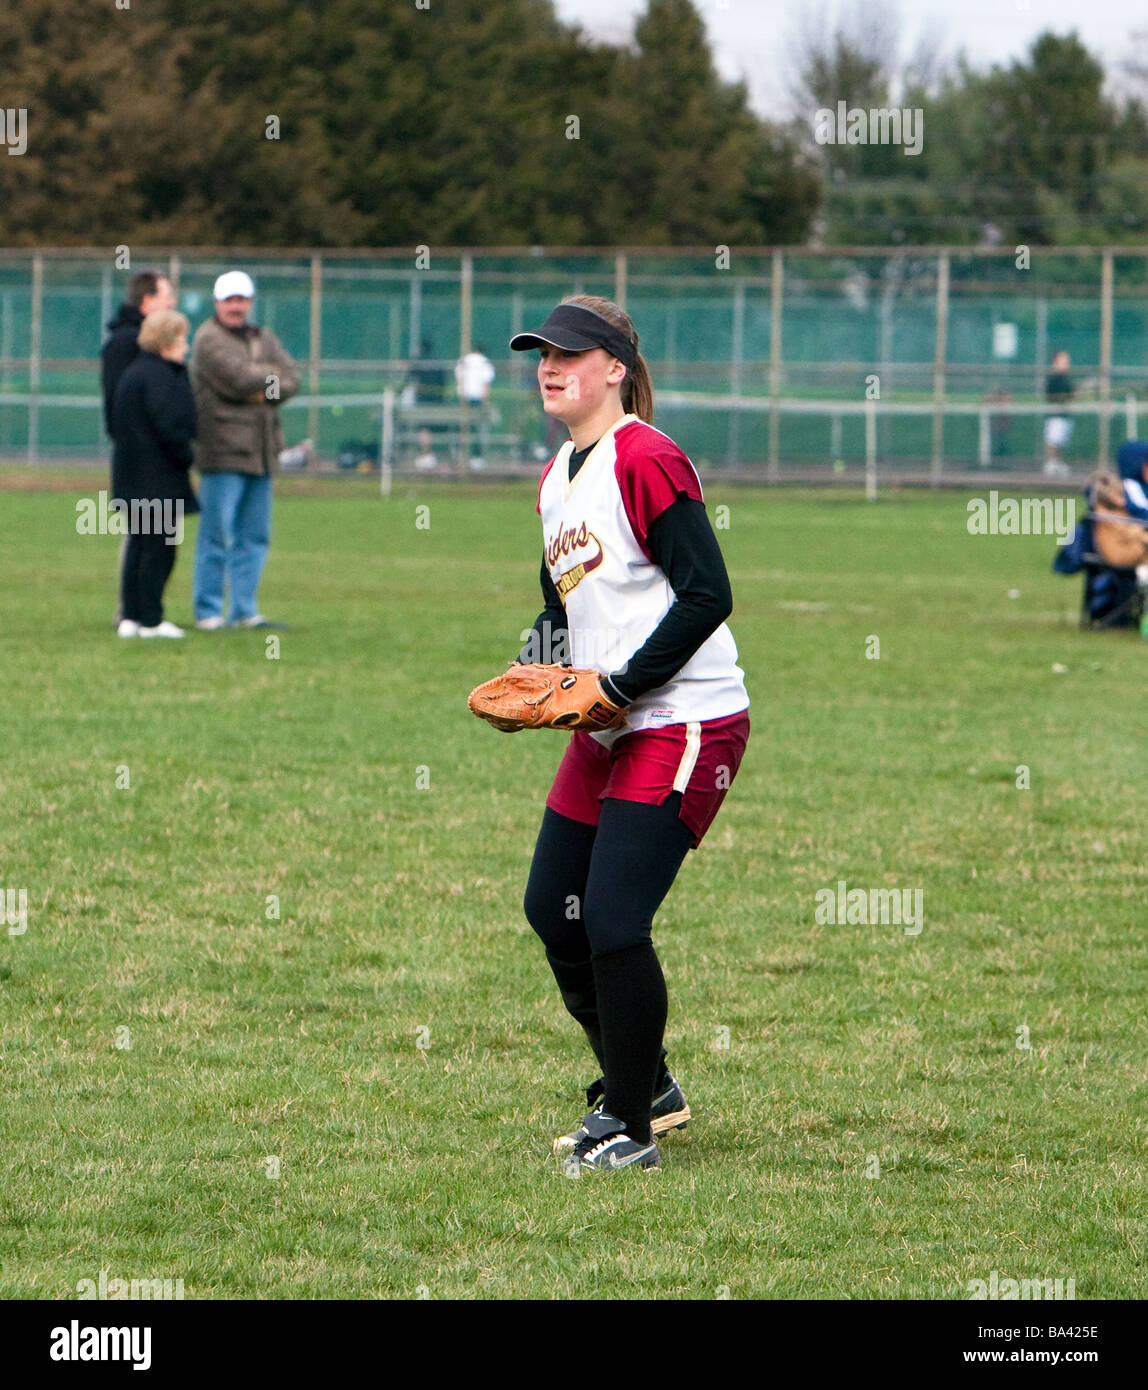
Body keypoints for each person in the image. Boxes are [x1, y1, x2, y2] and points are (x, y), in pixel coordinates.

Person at [504, 296, 751, 1174]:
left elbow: (708, 594)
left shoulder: (646, 457)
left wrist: (619, 685)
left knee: (613, 917)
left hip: (684, 717)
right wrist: (535, 666)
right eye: (541, 353)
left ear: (614, 367)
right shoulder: (554, 477)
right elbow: (559, 604)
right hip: (605, 723)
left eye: (570, 352)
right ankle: (644, 1082)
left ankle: (633, 1129)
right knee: (552, 908)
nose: (549, 365)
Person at [189, 271, 300, 630]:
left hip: (262, 451)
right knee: (216, 535)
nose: (236, 306)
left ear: (250, 301)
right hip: (223, 450)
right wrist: (268, 380)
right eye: (229, 300)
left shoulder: (262, 336)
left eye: (242, 299)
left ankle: (243, 610)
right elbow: (237, 379)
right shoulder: (207, 339)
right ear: (217, 302)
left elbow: (292, 379)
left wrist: (260, 383)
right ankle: (207, 611)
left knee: (254, 536)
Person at [111, 310, 198, 639]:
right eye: (181, 339)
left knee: (139, 546)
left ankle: (131, 617)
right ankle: (151, 619)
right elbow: (171, 427)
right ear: (166, 343)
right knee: (160, 550)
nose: (185, 347)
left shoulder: (133, 374)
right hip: (158, 480)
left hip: (132, 477)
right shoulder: (163, 377)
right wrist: (186, 456)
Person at [101, 270, 177, 624]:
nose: (172, 304)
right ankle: (133, 612)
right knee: (144, 538)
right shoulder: (126, 344)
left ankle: (142, 612)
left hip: (155, 464)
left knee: (155, 538)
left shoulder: (150, 346)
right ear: (147, 302)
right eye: (166, 298)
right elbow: (120, 410)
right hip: (141, 464)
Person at [455, 345, 495, 469]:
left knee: (465, 427)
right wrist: (485, 400)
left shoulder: (464, 360)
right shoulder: (484, 362)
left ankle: (459, 454)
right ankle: (476, 457)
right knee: (477, 429)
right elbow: (485, 384)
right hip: (478, 399)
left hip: (464, 398)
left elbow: (459, 380)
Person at [1043, 350, 1074, 477]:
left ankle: (1058, 462)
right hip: (1055, 415)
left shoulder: (1067, 379)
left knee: (1062, 441)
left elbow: (1072, 395)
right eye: (1063, 361)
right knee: (1052, 440)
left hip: (1066, 415)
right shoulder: (1053, 380)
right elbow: (1050, 396)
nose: (1066, 364)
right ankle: (1050, 463)